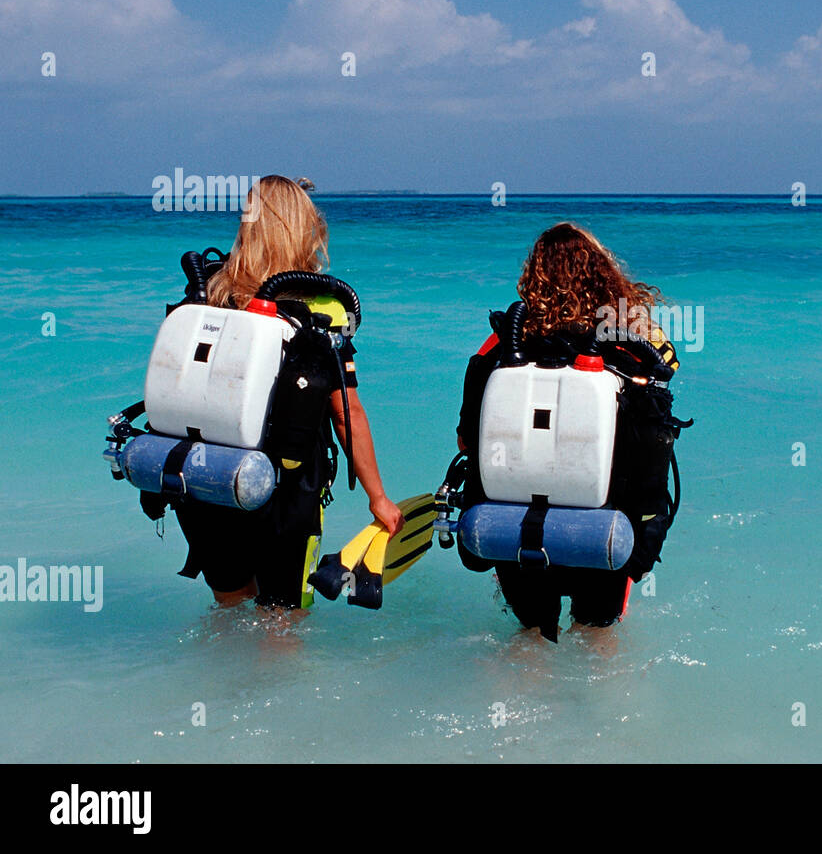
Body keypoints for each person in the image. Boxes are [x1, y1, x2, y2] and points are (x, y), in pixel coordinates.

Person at [146, 175, 402, 608]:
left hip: (205, 481)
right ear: (306, 230)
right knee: (281, 621)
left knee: (229, 606)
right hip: (285, 490)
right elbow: (346, 414)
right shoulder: (323, 307)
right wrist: (378, 497)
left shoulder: (207, 294)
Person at [453, 222, 688, 640]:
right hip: (601, 526)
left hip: (515, 526)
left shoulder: (501, 347)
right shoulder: (630, 343)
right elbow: (658, 407)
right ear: (604, 273)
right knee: (598, 638)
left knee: (528, 639)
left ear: (533, 278)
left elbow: (468, 440)